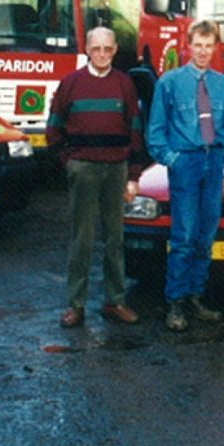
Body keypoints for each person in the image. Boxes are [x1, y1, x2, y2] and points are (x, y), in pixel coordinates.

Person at [49, 26, 145, 328]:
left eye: (108, 49)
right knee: (83, 238)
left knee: (115, 237)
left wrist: (133, 175)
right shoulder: (71, 84)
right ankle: (76, 305)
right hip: (84, 169)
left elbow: (136, 130)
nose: (102, 54)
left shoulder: (125, 83)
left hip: (116, 170)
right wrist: (69, 162)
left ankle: (115, 301)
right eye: (96, 49)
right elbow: (54, 128)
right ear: (87, 50)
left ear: (115, 50)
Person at [146, 20, 224, 332]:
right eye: (197, 45)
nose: (202, 51)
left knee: (206, 236)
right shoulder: (169, 83)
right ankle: (175, 303)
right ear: (188, 46)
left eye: (208, 45)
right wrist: (172, 159)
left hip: (214, 164)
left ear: (215, 48)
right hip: (185, 162)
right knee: (183, 236)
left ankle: (196, 296)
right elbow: (155, 131)